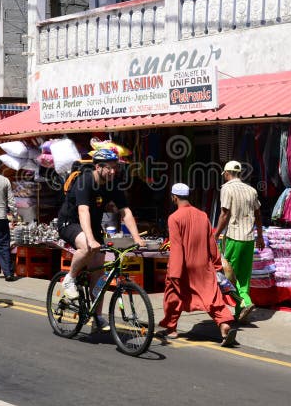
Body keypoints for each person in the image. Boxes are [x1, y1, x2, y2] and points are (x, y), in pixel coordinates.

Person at [57, 148, 145, 331]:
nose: (113, 171)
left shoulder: (113, 184)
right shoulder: (85, 181)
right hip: (70, 223)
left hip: (93, 226)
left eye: (115, 167)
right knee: (87, 247)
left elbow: (125, 211)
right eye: (109, 168)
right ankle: (69, 278)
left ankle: (97, 316)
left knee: (98, 275)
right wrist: (90, 239)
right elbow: (83, 211)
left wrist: (137, 238)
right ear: (98, 167)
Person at [156, 183, 239, 347]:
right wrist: (216, 265)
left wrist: (174, 272)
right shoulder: (203, 215)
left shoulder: (174, 218)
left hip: (183, 266)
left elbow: (177, 246)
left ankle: (171, 329)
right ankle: (224, 325)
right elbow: (212, 243)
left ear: (174, 197)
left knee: (173, 296)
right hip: (203, 266)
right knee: (211, 297)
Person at [213, 160, 264, 323]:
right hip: (249, 239)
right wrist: (260, 236)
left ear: (227, 173)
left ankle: (243, 302)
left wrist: (215, 234)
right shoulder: (251, 190)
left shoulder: (227, 188)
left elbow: (224, 214)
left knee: (227, 276)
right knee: (244, 276)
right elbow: (258, 214)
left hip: (234, 238)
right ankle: (242, 309)